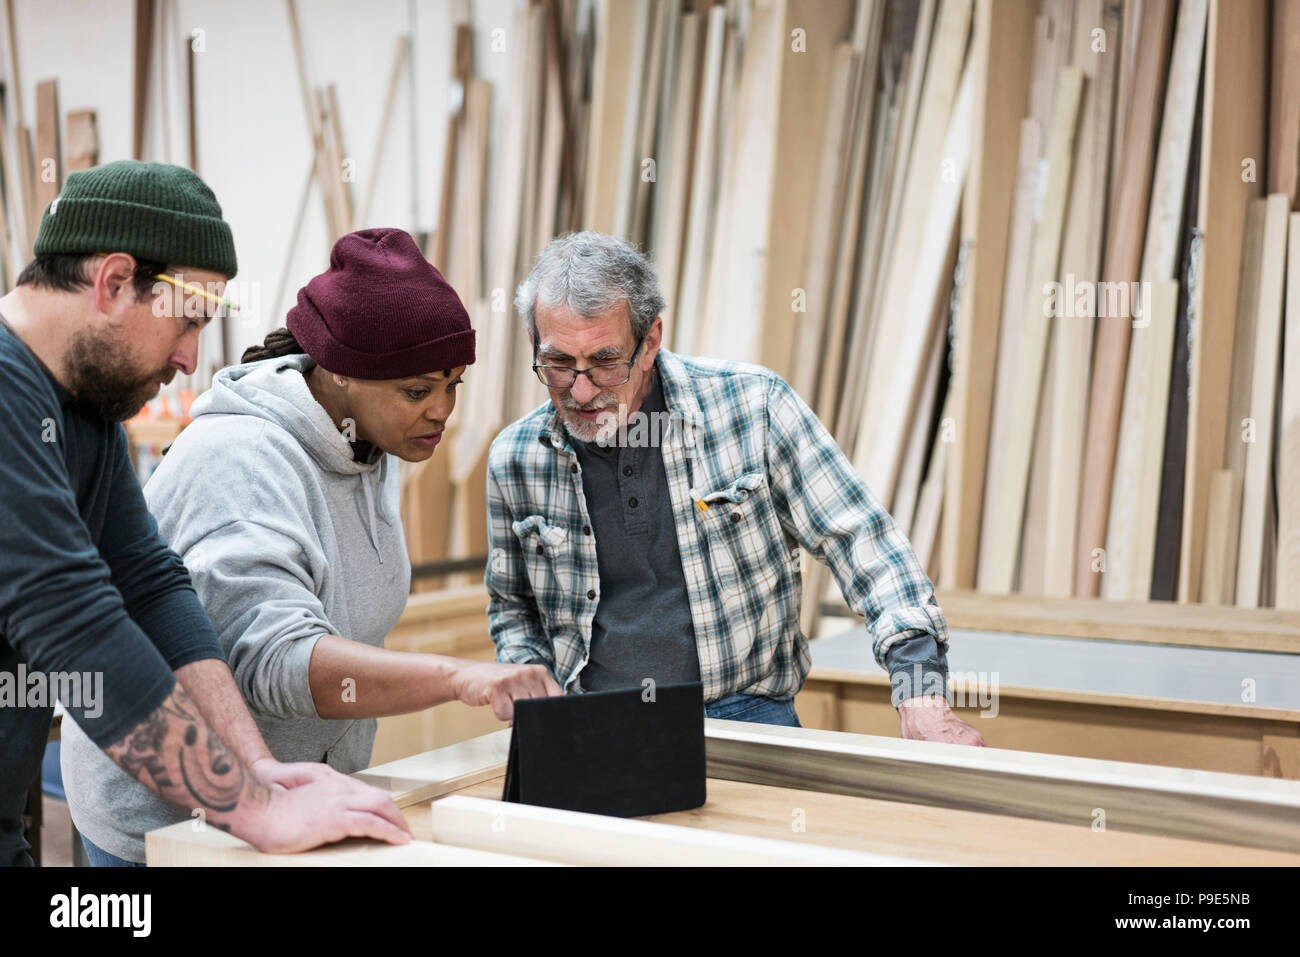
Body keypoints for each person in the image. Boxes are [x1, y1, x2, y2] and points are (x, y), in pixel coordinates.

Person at [61, 227, 562, 864]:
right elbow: (279, 663)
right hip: (173, 822)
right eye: (418, 390)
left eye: (453, 384)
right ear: (343, 374)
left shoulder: (369, 441)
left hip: (293, 791)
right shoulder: (243, 460)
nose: (443, 410)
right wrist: (459, 675)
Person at [0, 161, 411, 867]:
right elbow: (73, 623)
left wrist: (257, 768)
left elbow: (150, 584)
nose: (191, 358)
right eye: (188, 321)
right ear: (114, 282)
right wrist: (252, 810)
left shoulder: (84, 411)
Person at [486, 231, 986, 743]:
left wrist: (920, 691)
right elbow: (512, 604)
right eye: (558, 364)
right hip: (592, 724)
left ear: (651, 341)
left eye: (606, 363)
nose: (581, 389)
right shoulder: (515, 458)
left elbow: (864, 543)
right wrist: (532, 688)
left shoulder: (753, 407)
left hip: (745, 715)